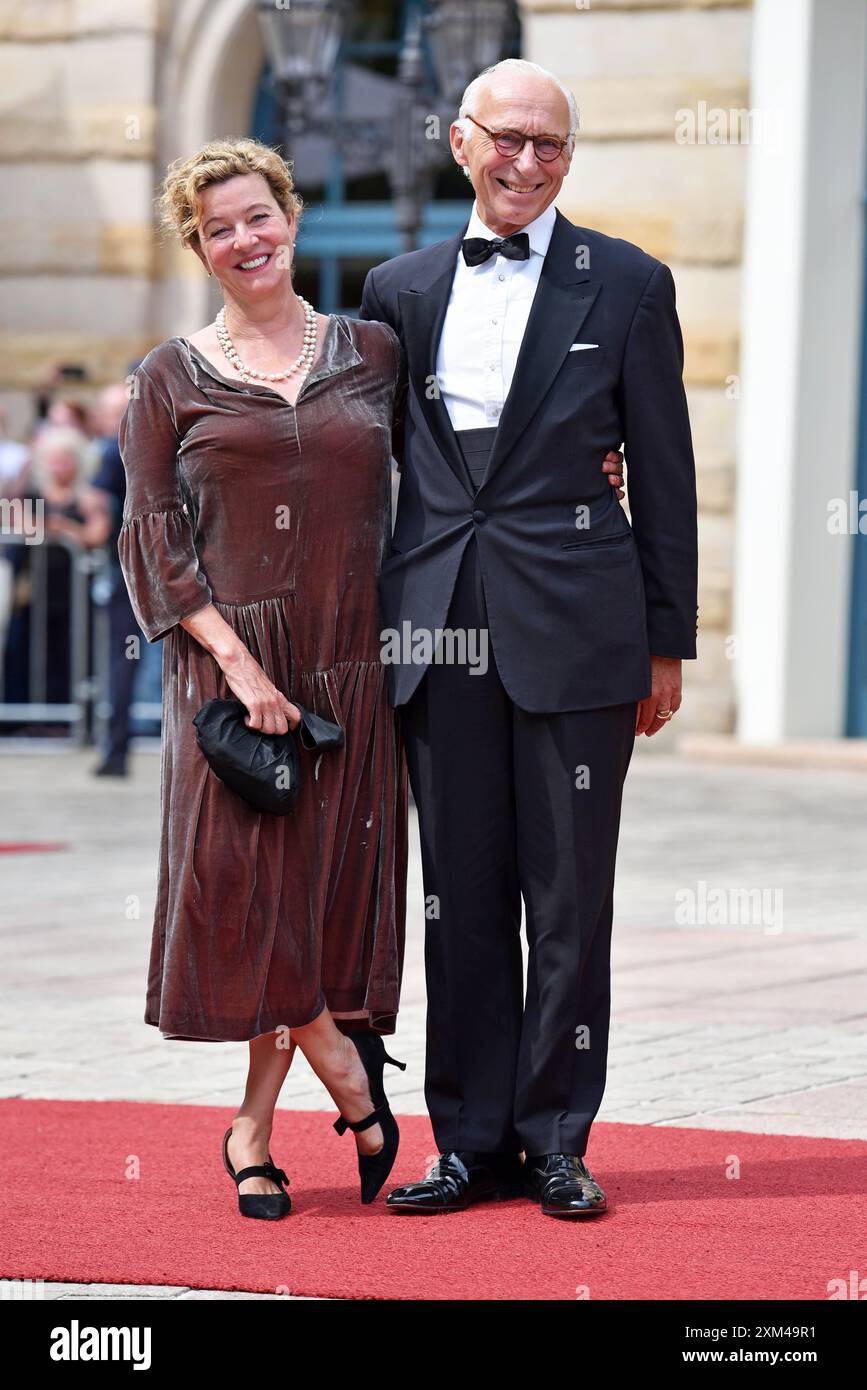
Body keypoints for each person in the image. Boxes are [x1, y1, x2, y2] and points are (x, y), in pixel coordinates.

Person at [359, 59, 698, 1218]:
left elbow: (664, 475)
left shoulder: (631, 285)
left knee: (568, 901)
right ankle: (468, 1141)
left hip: (580, 632)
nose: (530, 164)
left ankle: (556, 1136)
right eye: (509, 139)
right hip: (439, 628)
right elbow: (363, 465)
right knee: (458, 893)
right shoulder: (396, 287)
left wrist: (667, 643)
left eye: (552, 145)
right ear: (461, 142)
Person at [117, 138, 411, 1218]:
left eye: (257, 216)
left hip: (353, 659)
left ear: (289, 216)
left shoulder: (374, 352)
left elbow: (462, 466)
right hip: (229, 674)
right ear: (199, 249)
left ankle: (251, 1127)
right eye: (217, 229)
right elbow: (154, 537)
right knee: (247, 895)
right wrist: (240, 670)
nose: (243, 239)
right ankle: (344, 1066)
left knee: (322, 897)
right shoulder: (167, 376)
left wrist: (594, 462)